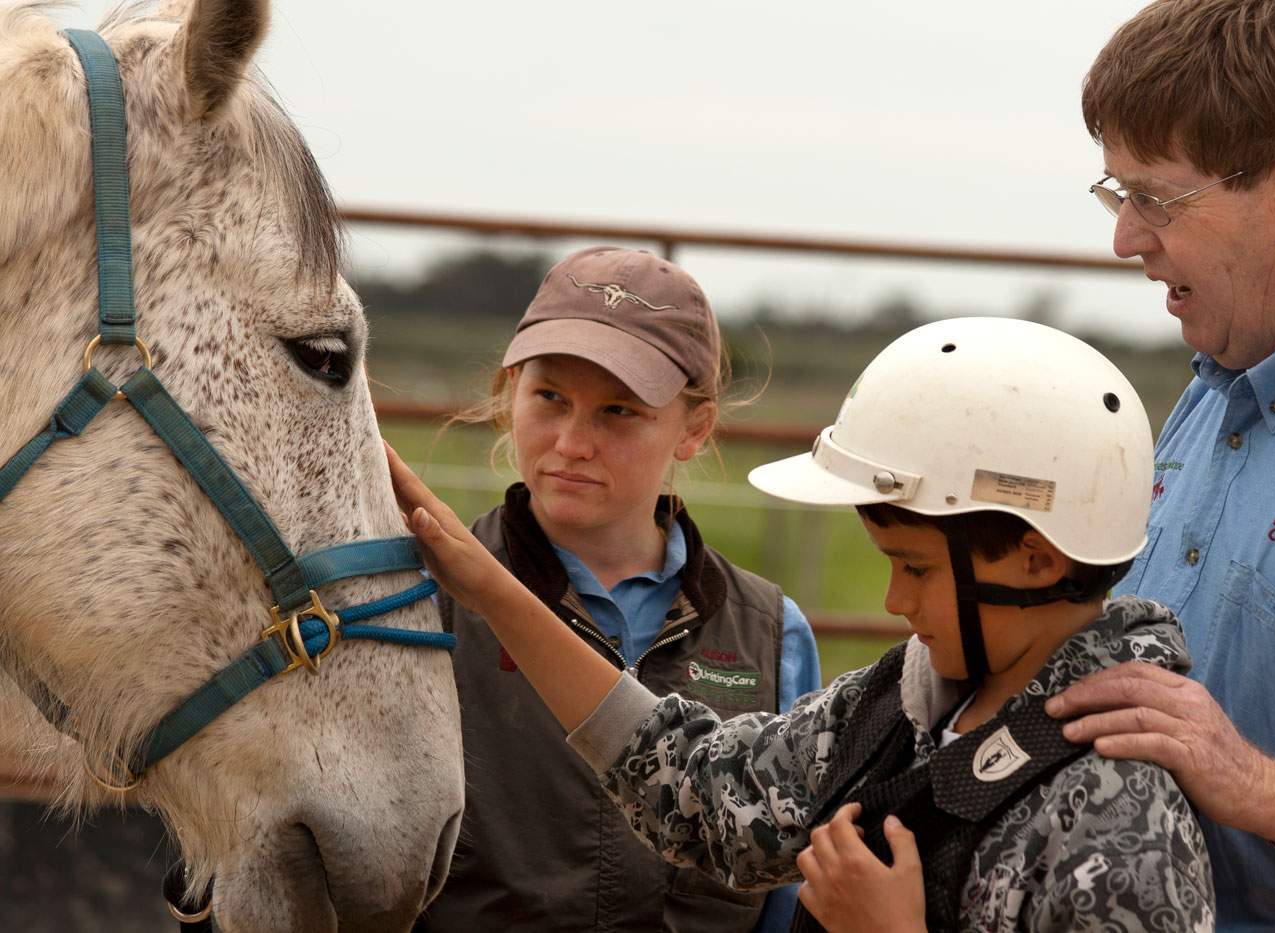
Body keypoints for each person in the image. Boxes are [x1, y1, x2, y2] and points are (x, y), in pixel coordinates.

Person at [389, 317, 1216, 931]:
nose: (892, 602)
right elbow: (693, 788)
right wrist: (491, 589)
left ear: (1035, 559)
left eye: (916, 568)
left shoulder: (1121, 816)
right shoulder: (899, 705)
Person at [1039, 1, 1275, 929]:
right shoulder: (1222, 373)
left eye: (1157, 199)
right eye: (1116, 194)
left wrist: (1263, 786)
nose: (1125, 237)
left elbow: (1228, 765)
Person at [411, 246, 822, 932]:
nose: (572, 442)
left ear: (695, 429)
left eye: (619, 411)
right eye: (550, 398)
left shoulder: (774, 633)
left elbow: (788, 897)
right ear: (510, 390)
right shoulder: (426, 600)